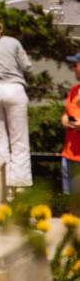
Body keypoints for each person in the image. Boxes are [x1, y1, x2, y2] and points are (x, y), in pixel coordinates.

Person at [0, 19, 32, 195]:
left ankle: (4, 185)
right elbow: (27, 66)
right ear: (0, 28)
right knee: (19, 139)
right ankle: (20, 185)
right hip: (14, 88)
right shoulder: (13, 42)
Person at [60, 54, 80, 199]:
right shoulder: (73, 90)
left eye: (75, 65)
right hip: (69, 155)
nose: (73, 69)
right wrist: (65, 119)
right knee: (73, 200)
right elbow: (67, 112)